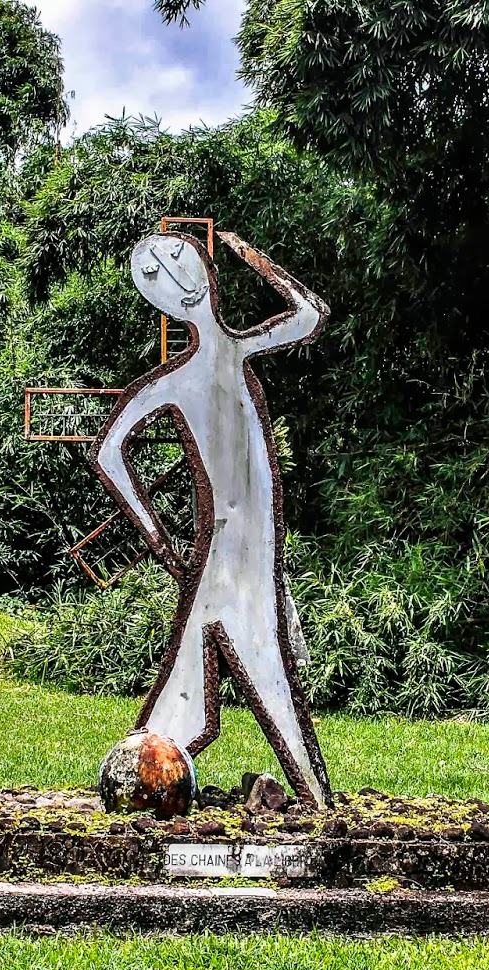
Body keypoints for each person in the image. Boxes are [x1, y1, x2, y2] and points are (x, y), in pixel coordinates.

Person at [91, 230, 333, 807]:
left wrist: (252, 255)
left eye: (179, 261)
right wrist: (159, 540)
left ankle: (140, 786)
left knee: (189, 694)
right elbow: (109, 451)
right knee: (263, 666)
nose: (177, 280)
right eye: (157, 278)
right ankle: (316, 802)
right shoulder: (176, 380)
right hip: (233, 555)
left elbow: (307, 315)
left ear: (203, 265)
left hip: (240, 552)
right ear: (160, 305)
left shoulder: (241, 349)